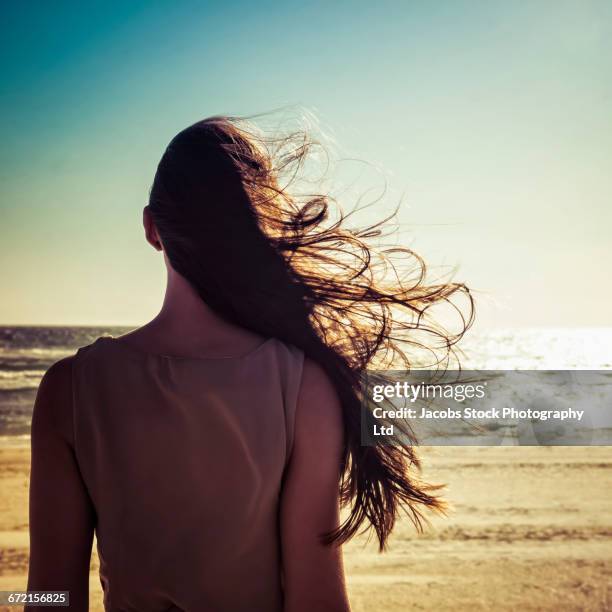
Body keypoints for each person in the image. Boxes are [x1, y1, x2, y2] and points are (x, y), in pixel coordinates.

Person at [26, 117, 472, 611]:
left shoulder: (69, 388)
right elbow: (316, 600)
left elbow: (50, 596)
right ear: (260, 231)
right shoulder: (303, 386)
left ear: (152, 228)